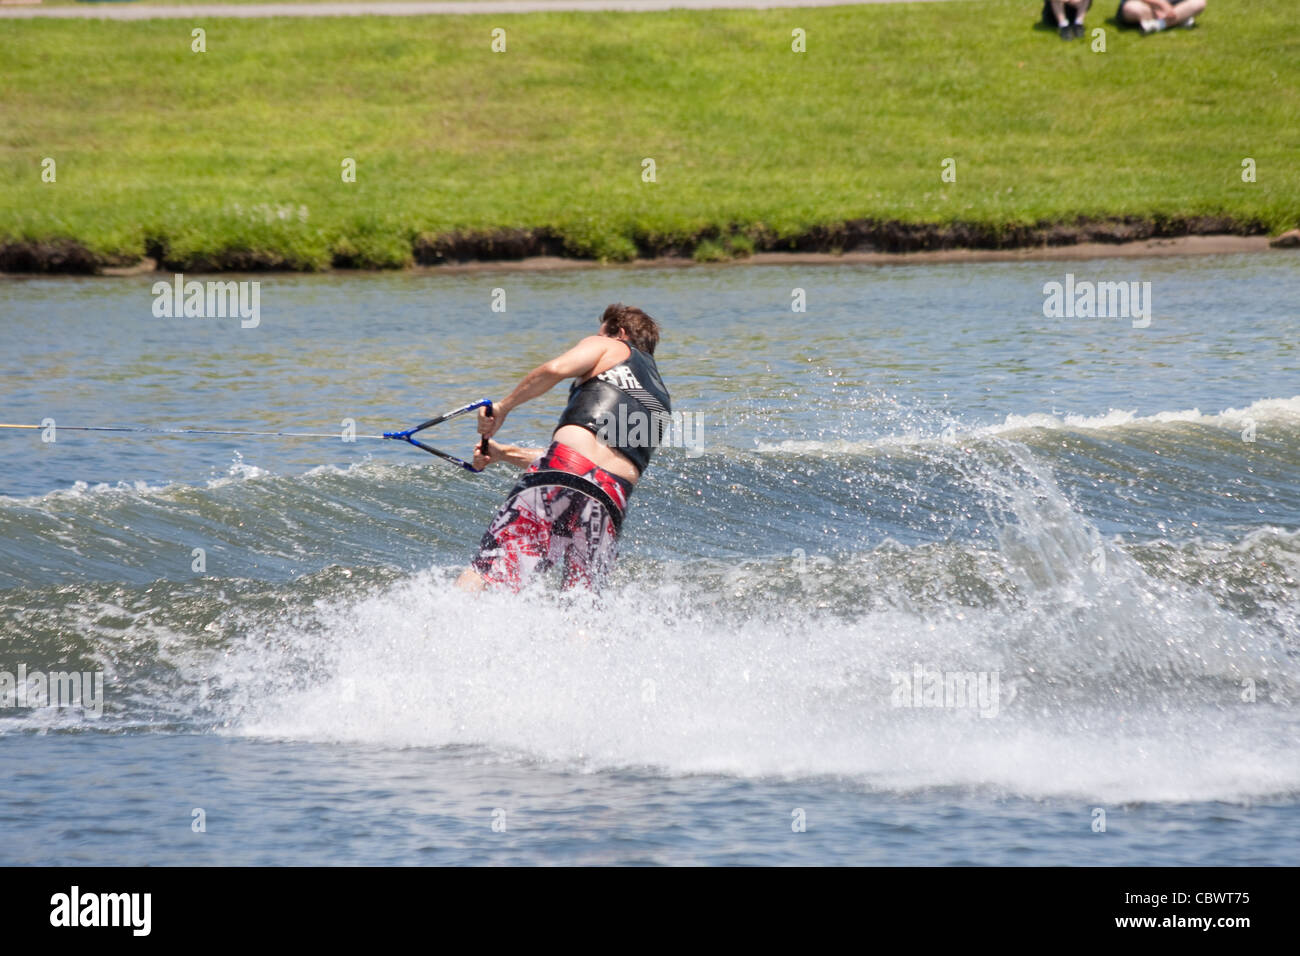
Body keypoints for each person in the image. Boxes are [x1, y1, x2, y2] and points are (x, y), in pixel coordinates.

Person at [455, 304, 671, 593]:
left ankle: (441, 632)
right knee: (580, 605)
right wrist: (503, 454)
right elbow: (591, 468)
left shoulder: (610, 346)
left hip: (565, 469)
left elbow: (554, 370)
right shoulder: (660, 402)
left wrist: (503, 407)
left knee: (486, 573)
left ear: (619, 333)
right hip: (610, 496)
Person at [1116, 0, 1204, 33]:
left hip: (1172, 5)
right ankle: (1179, 19)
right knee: (1132, 9)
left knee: (1199, 2)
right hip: (1144, 5)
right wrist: (1160, 4)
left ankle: (1158, 25)